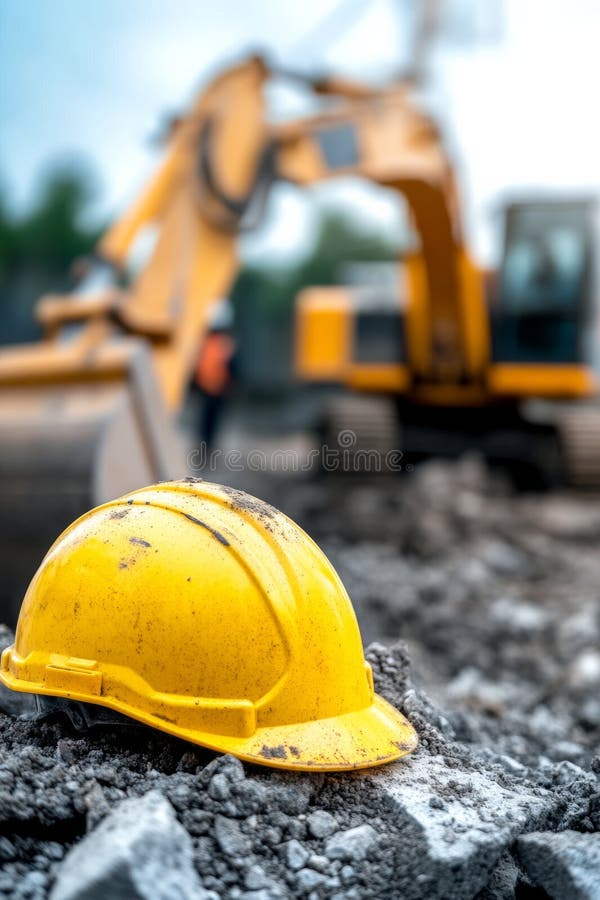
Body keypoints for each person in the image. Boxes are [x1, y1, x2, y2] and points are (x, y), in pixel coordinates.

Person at [193, 300, 237, 451]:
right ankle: (206, 447)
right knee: (208, 422)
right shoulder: (223, 342)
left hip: (211, 389)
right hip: (213, 389)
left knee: (207, 422)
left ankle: (206, 447)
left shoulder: (208, 342)